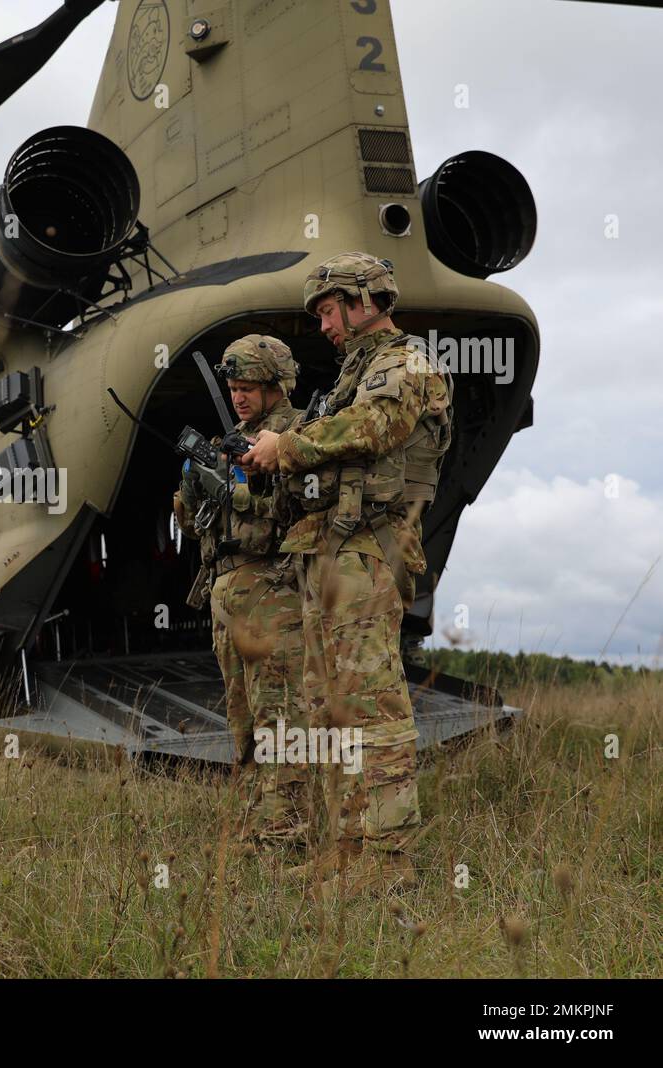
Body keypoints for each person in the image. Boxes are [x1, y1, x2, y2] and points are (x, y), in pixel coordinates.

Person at [239, 253, 452, 893]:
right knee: (330, 712)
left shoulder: (404, 364)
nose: (326, 326)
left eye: (329, 311)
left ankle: (388, 864)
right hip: (330, 553)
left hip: (368, 553)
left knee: (373, 707)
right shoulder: (349, 379)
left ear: (364, 301)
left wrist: (290, 446)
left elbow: (375, 426)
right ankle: (350, 846)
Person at [176, 336, 309, 852]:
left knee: (279, 709)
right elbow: (194, 526)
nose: (239, 398)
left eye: (248, 388)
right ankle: (259, 821)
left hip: (272, 587)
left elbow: (293, 507)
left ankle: (289, 828)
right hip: (227, 588)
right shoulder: (233, 438)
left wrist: (230, 486)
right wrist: (191, 489)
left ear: (276, 385)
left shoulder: (295, 435)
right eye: (233, 388)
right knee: (243, 713)